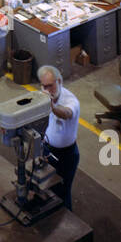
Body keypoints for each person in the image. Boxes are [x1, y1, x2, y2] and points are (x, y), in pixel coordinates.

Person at [38, 65, 80, 211]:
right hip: (48, 150)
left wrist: (52, 107)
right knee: (46, 186)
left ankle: (68, 220)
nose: (48, 90)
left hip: (66, 155)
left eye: (51, 86)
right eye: (44, 86)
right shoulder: (44, 95)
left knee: (62, 191)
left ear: (60, 81)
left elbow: (67, 113)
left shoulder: (71, 100)